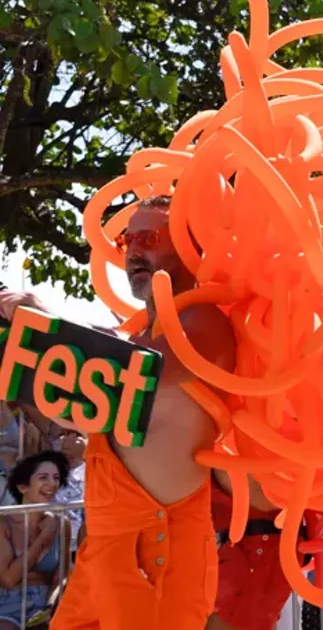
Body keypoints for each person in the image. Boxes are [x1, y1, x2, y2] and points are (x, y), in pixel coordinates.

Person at [34, 195, 237, 630]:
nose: (134, 252)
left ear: (190, 244)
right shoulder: (142, 330)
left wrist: (43, 318)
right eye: (128, 240)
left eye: (147, 237)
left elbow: (133, 374)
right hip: (108, 548)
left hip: (157, 553)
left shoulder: (205, 322)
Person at [207, 470, 290, 630]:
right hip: (254, 505)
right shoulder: (226, 606)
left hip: (283, 512)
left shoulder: (263, 618)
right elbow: (235, 563)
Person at [0, 450, 67, 628]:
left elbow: (61, 575)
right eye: (43, 477)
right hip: (7, 603)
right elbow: (8, 579)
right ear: (23, 487)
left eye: (56, 478)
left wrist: (52, 605)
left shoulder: (62, 523)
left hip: (46, 602)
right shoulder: (3, 522)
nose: (52, 484)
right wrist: (44, 537)